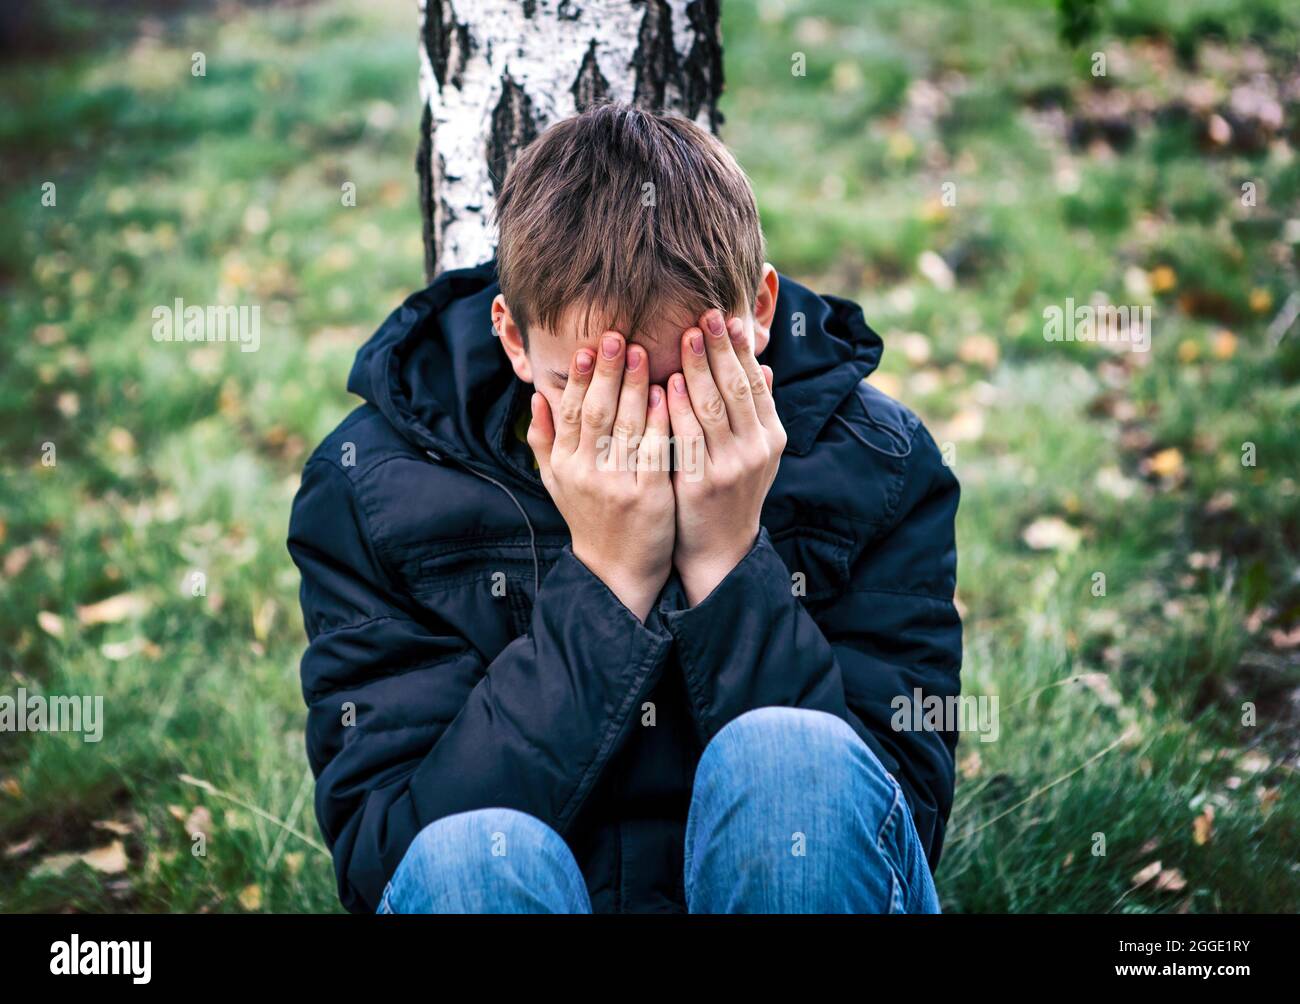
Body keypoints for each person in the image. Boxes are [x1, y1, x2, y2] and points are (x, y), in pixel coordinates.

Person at [287, 102, 961, 914]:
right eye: (590, 388)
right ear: (512, 339)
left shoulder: (879, 465)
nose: (638, 429)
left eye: (686, 384)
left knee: (794, 759)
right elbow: (390, 862)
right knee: (472, 856)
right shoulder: (374, 487)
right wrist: (605, 581)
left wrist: (726, 560)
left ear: (761, 311)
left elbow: (893, 829)